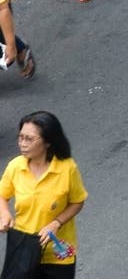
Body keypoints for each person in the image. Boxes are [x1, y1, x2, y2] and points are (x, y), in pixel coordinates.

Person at [0, 111, 87, 272]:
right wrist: (4, 213)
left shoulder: (67, 168)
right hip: (25, 248)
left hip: (58, 250)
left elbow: (77, 201)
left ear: (48, 142)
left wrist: (56, 223)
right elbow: (1, 195)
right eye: (21, 137)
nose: (23, 143)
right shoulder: (15, 167)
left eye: (29, 139)